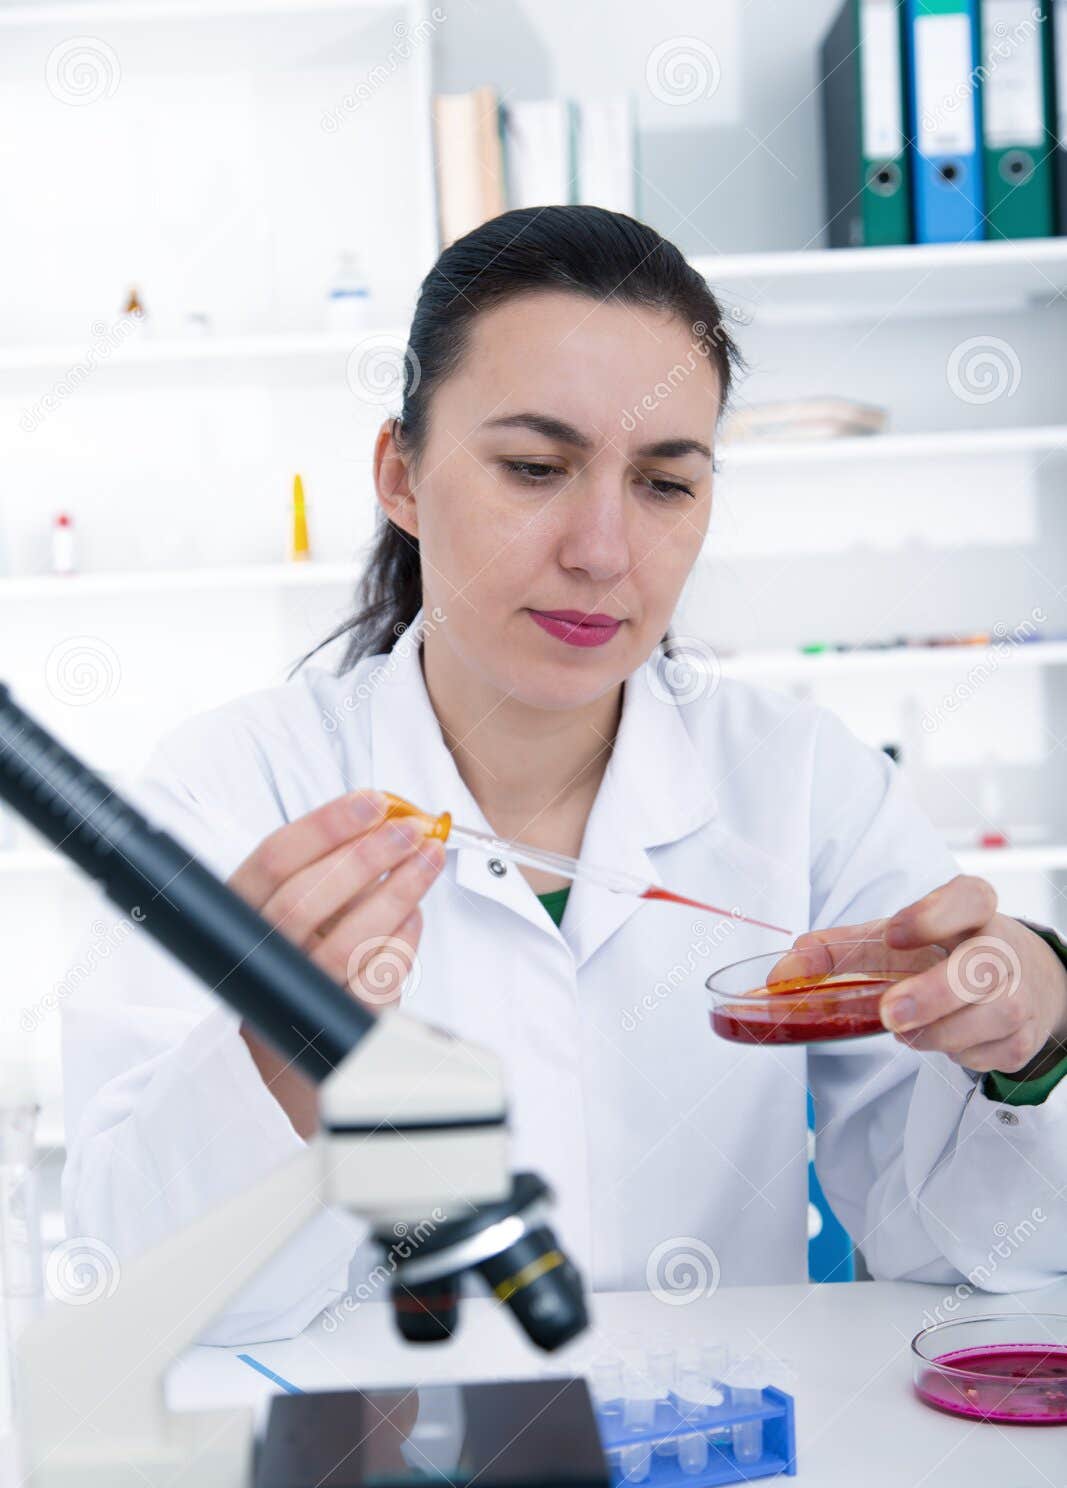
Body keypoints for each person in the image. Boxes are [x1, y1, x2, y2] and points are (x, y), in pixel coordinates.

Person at [61, 207, 1067, 1345]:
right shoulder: (231, 788)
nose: (599, 549)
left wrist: (1030, 1050)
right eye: (534, 467)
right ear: (398, 473)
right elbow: (127, 1281)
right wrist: (274, 1058)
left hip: (737, 1480)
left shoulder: (805, 790)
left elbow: (963, 1256)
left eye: (664, 484)